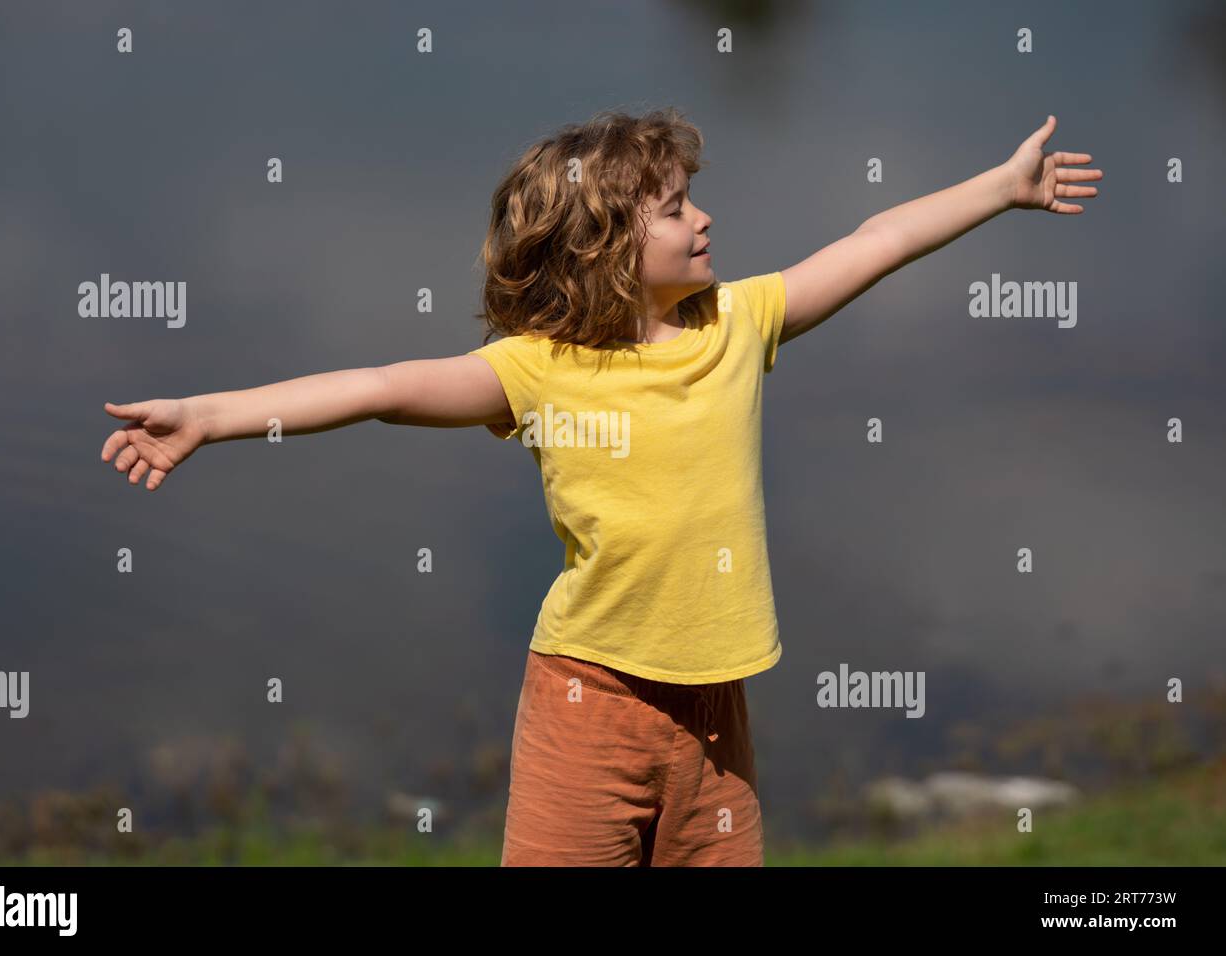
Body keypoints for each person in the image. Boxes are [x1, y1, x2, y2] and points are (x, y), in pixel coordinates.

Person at [99, 107, 1100, 866]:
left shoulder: (736, 323)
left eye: (691, 196)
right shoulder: (538, 368)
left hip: (715, 710)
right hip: (589, 698)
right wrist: (209, 414)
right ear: (607, 245)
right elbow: (380, 388)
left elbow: (875, 240)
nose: (704, 216)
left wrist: (998, 187)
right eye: (674, 208)